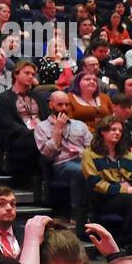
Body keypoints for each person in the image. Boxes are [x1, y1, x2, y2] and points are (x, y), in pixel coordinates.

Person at [35, 90, 92, 223]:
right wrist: (57, 130)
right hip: (61, 164)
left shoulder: (80, 125)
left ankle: (95, 212)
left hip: (83, 160)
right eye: (60, 105)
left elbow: (92, 147)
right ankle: (77, 215)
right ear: (51, 105)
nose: (64, 108)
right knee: (79, 171)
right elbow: (47, 154)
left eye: (67, 105)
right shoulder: (41, 127)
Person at [82, 118, 132, 239]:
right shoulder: (90, 154)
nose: (117, 133)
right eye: (113, 129)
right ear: (102, 132)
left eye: (120, 130)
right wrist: (124, 189)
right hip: (104, 198)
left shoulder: (126, 155)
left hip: (128, 194)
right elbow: (96, 184)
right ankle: (125, 240)